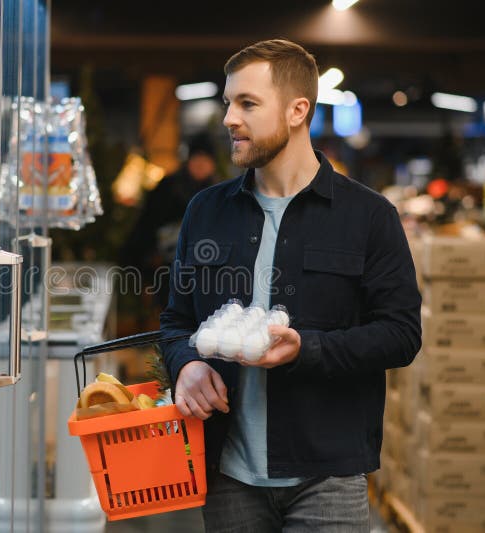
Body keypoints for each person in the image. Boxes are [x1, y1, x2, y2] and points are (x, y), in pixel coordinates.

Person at [160, 39, 421, 532]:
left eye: (248, 104)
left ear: (298, 110)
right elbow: (177, 321)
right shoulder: (206, 212)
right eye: (228, 103)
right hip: (228, 476)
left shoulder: (368, 217)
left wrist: (309, 349)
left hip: (329, 477)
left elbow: (402, 334)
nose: (229, 119)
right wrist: (187, 364)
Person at [121, 133, 218, 310]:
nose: (201, 165)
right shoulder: (168, 187)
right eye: (197, 159)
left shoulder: (218, 192)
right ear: (188, 161)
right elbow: (147, 224)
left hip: (207, 271)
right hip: (168, 267)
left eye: (206, 160)